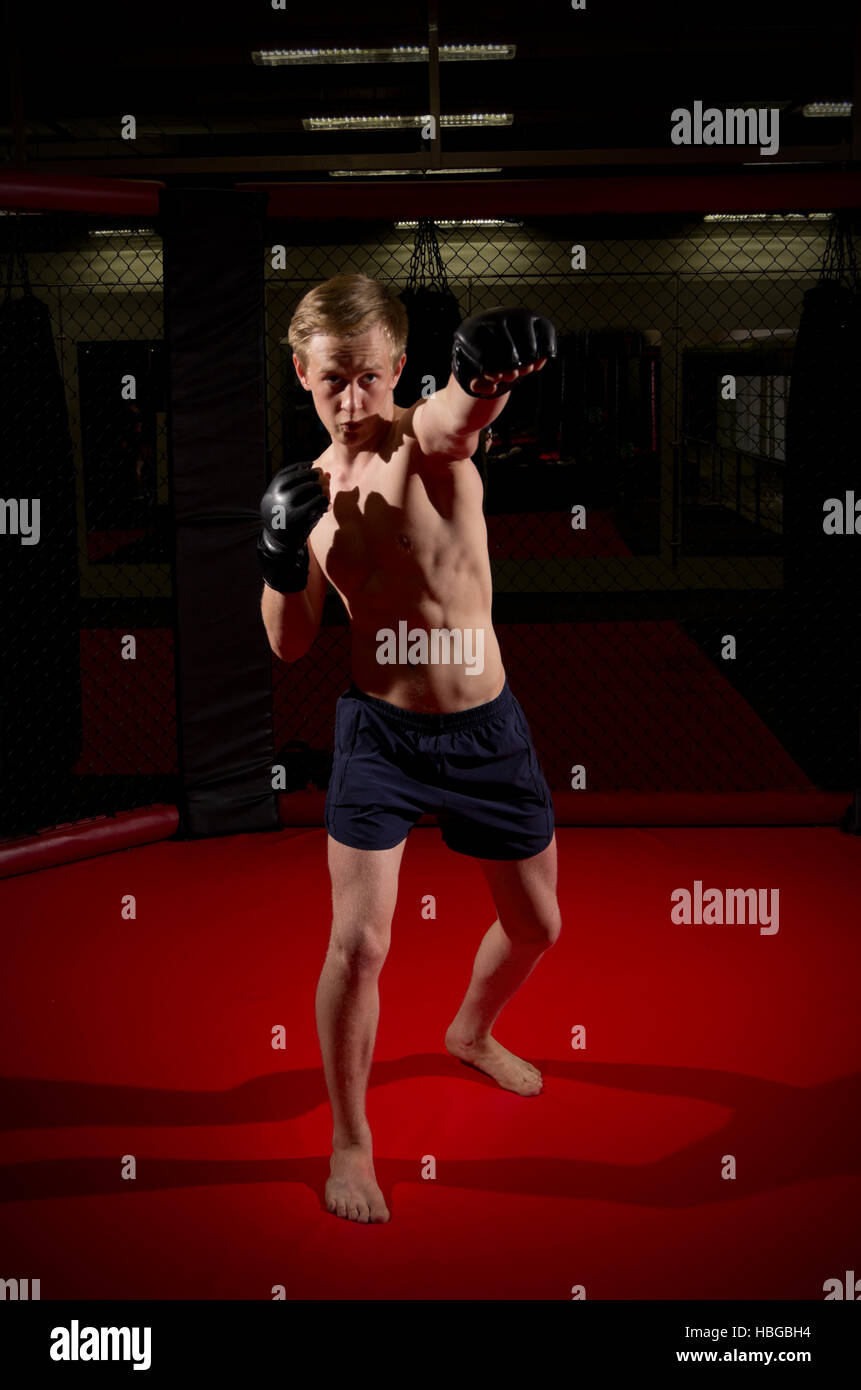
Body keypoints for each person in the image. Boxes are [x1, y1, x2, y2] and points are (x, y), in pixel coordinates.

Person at [259, 273, 562, 1224]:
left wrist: (486, 375)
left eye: (368, 379)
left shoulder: (423, 449)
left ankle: (469, 1032)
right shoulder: (306, 496)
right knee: (357, 944)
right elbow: (289, 642)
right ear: (303, 375)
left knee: (540, 927)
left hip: (484, 727)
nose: (351, 403)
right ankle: (352, 1143)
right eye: (330, 382)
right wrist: (276, 558)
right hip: (378, 732)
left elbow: (458, 418)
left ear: (397, 369)